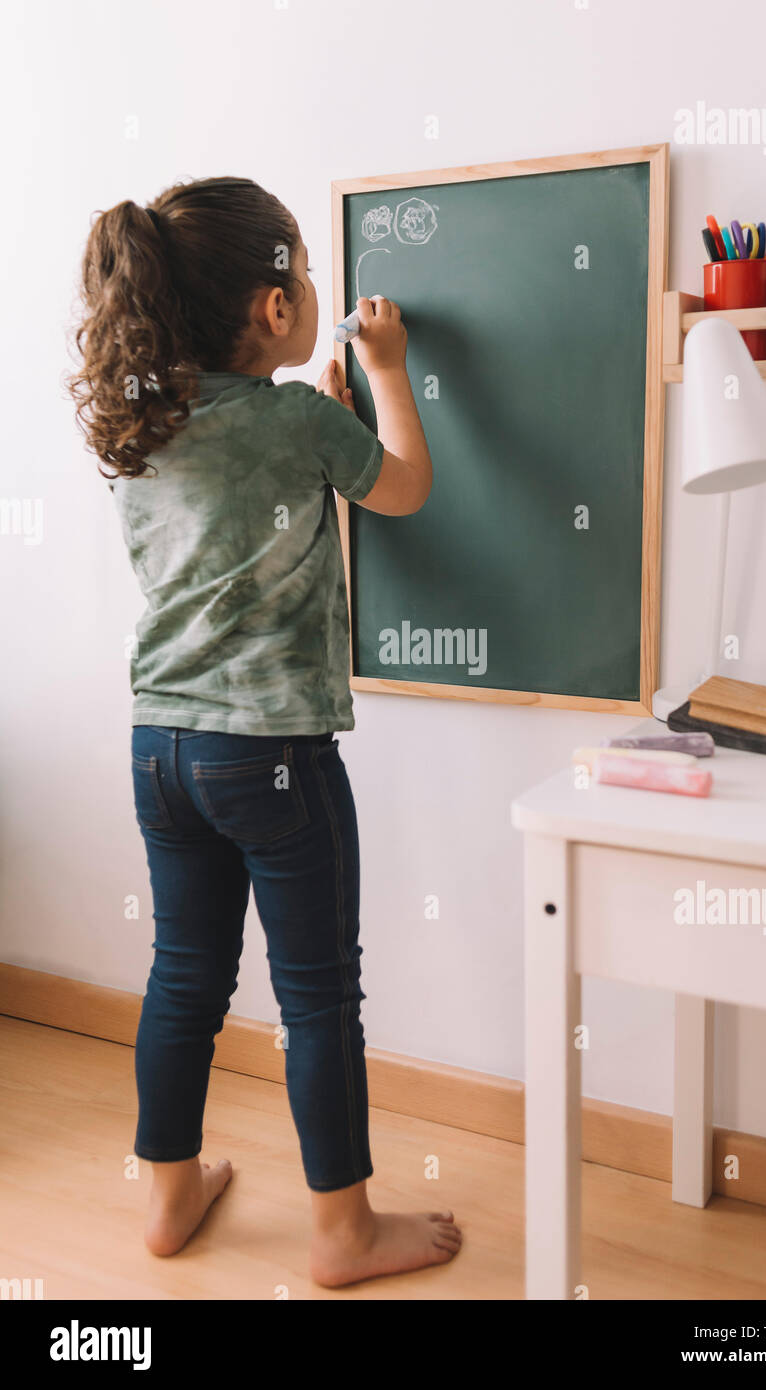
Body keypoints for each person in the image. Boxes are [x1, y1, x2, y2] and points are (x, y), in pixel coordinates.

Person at [70, 175, 460, 1286]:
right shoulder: (300, 422)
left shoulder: (141, 420)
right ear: (277, 308)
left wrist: (321, 419)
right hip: (272, 755)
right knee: (316, 991)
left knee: (183, 976)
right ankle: (341, 1231)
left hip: (160, 748)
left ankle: (167, 1198)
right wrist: (385, 376)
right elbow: (404, 489)